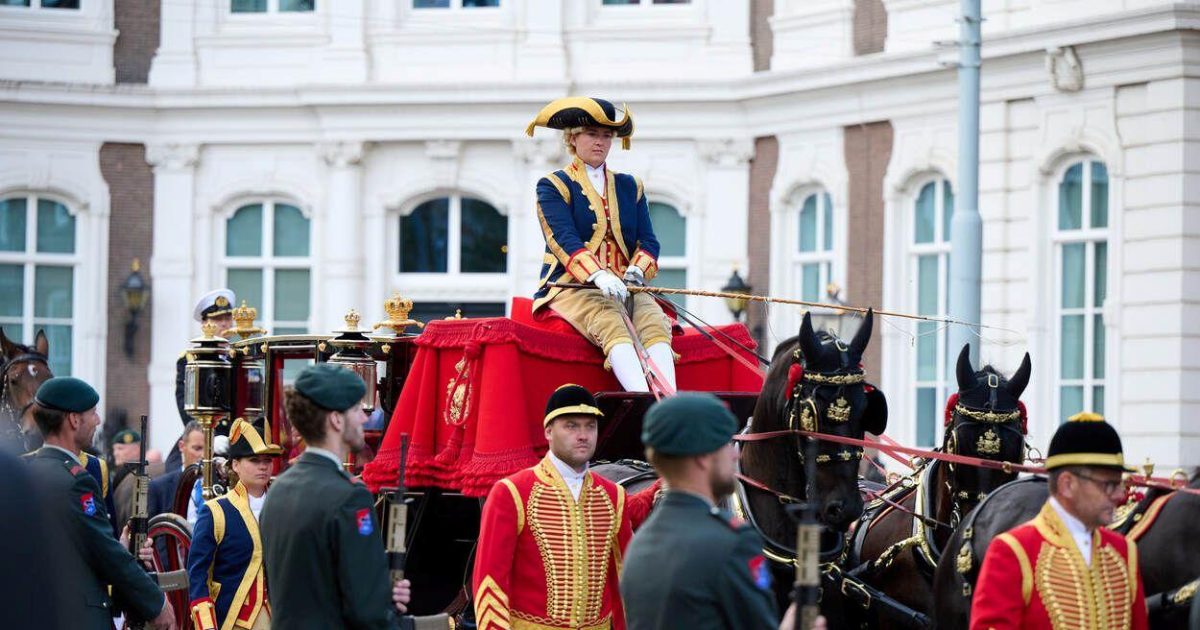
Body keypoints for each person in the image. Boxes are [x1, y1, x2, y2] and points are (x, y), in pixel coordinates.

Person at [472, 384, 659, 630]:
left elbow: (625, 582)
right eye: (571, 426)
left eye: (590, 426)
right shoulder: (511, 492)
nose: (583, 435)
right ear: (549, 432)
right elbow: (490, 582)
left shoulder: (614, 496)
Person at [525, 97, 676, 393]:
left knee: (654, 320)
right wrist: (598, 274)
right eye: (592, 134)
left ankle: (670, 402)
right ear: (572, 138)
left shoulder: (630, 186)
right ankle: (643, 400)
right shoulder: (553, 185)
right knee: (610, 321)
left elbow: (648, 240)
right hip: (573, 286)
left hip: (626, 283)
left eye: (607, 136)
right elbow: (562, 239)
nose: (601, 142)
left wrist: (636, 270)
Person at [260, 364, 410, 629]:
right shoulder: (349, 497)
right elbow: (367, 613)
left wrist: (381, 592)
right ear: (336, 419)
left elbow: (302, 587)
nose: (364, 418)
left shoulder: (278, 490)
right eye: (355, 409)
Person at [970, 412, 1148, 630]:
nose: (1120, 495)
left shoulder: (1124, 551)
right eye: (1108, 484)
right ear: (1067, 484)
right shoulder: (1013, 551)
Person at [24, 376, 176, 630]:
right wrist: (157, 603)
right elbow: (103, 552)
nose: (97, 421)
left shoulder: (24, 471)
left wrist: (122, 545)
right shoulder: (76, 481)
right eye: (92, 413)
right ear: (74, 420)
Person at [620, 393, 781, 630]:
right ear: (703, 458)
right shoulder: (731, 542)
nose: (735, 454)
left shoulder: (641, 543)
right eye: (725, 444)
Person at [187, 418, 281, 630]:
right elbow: (198, 574)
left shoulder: (283, 508)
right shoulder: (216, 511)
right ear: (235, 465)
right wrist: (207, 625)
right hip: (232, 620)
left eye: (268, 460)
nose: (263, 466)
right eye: (254, 460)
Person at [170, 289, 236, 471]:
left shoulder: (240, 358)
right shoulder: (190, 359)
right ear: (205, 324)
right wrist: (207, 436)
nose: (224, 324)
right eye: (217, 319)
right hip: (202, 435)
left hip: (236, 436)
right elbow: (184, 402)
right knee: (173, 474)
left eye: (227, 318)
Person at [149, 421, 205, 518]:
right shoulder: (159, 488)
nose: (203, 455)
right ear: (182, 446)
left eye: (209, 449)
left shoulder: (222, 485)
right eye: (197, 448)